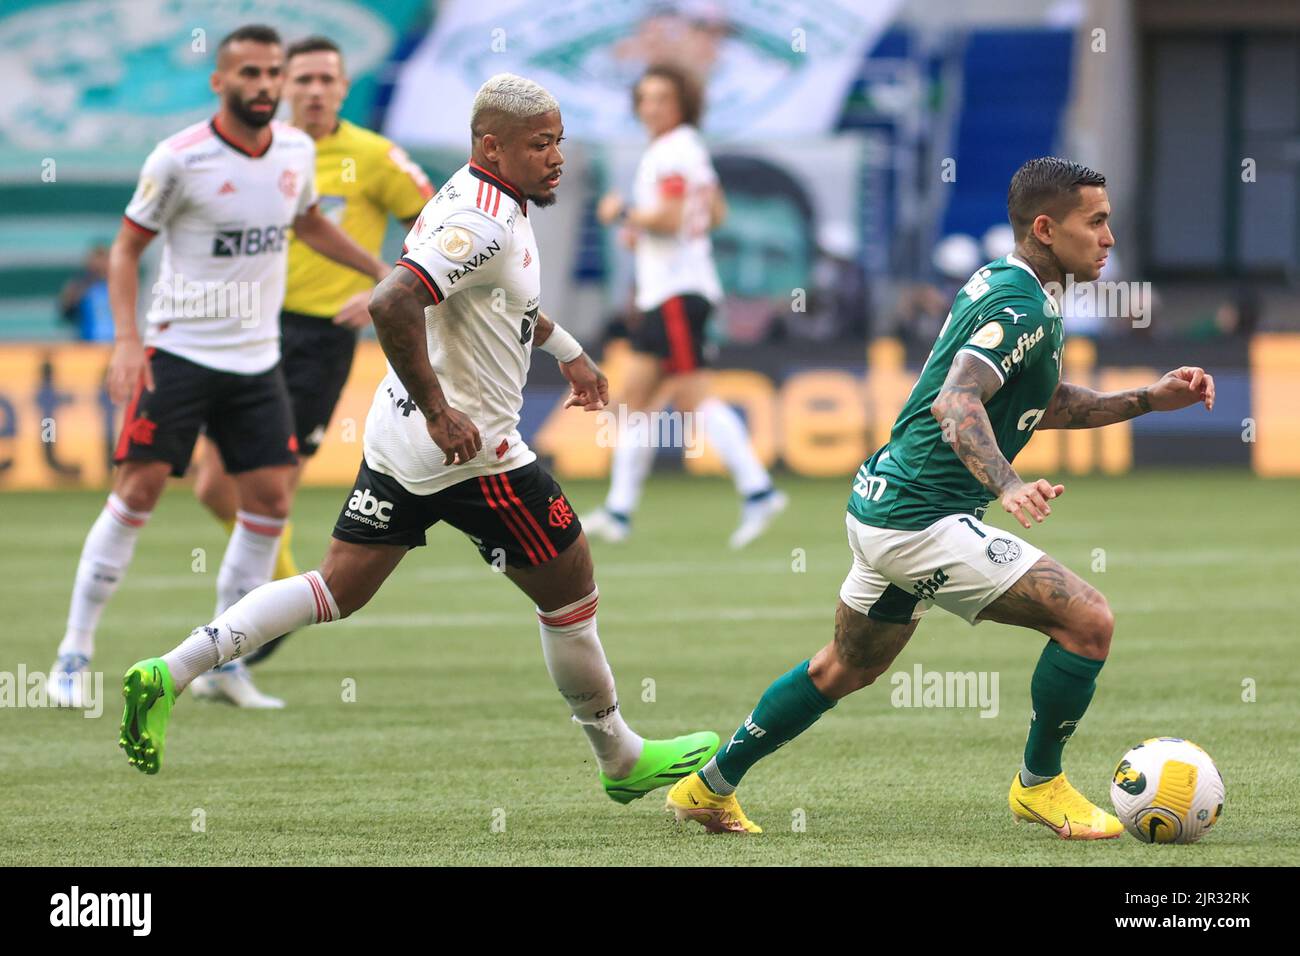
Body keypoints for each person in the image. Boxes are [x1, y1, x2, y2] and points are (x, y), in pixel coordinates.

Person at [117, 73, 720, 804]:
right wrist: (441, 409)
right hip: (473, 451)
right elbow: (391, 299)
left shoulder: (475, 197)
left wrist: (568, 353)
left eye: (559, 141)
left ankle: (172, 669)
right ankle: (621, 758)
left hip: (397, 442)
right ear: (492, 146)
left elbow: (504, 303)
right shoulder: (485, 222)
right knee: (571, 592)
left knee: (336, 589)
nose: (556, 156)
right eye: (540, 144)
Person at [666, 157, 1216, 836]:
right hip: (920, 520)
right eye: (1096, 222)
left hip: (884, 504)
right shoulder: (1018, 307)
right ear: (1046, 228)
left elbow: (1036, 403)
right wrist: (1008, 485)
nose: (1109, 238)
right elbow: (958, 401)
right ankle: (1040, 785)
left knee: (844, 667)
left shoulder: (1011, 287)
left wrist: (1146, 400)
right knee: (1088, 622)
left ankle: (708, 786)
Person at [48, 24, 391, 709]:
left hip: (257, 364)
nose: (263, 85)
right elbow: (124, 251)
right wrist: (125, 340)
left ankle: (226, 665)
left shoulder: (294, 150)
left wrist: (382, 272)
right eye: (251, 74)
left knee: (269, 506)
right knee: (137, 493)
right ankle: (72, 655)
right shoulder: (178, 159)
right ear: (220, 82)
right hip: (179, 357)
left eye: (272, 73)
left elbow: (308, 223)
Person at [189, 34, 434, 686]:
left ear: (345, 87)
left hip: (315, 343)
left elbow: (436, 224)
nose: (316, 90)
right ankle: (282, 581)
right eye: (305, 80)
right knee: (213, 485)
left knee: (266, 490)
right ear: (282, 87)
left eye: (328, 79)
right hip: (245, 333)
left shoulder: (373, 156)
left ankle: (234, 653)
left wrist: (386, 286)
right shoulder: (269, 153)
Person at [584, 64, 786, 550]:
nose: (651, 106)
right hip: (672, 291)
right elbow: (713, 211)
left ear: (682, 104)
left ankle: (759, 490)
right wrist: (654, 235)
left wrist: (623, 215)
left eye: (662, 98)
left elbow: (673, 217)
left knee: (691, 399)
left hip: (677, 294)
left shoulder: (672, 150)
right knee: (634, 403)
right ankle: (618, 510)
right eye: (646, 97)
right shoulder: (687, 148)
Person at [58, 243, 114, 342]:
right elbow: (66, 314)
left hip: (115, 343)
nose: (99, 263)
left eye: (103, 258)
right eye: (96, 258)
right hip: (88, 344)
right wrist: (69, 298)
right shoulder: (80, 286)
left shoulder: (118, 285)